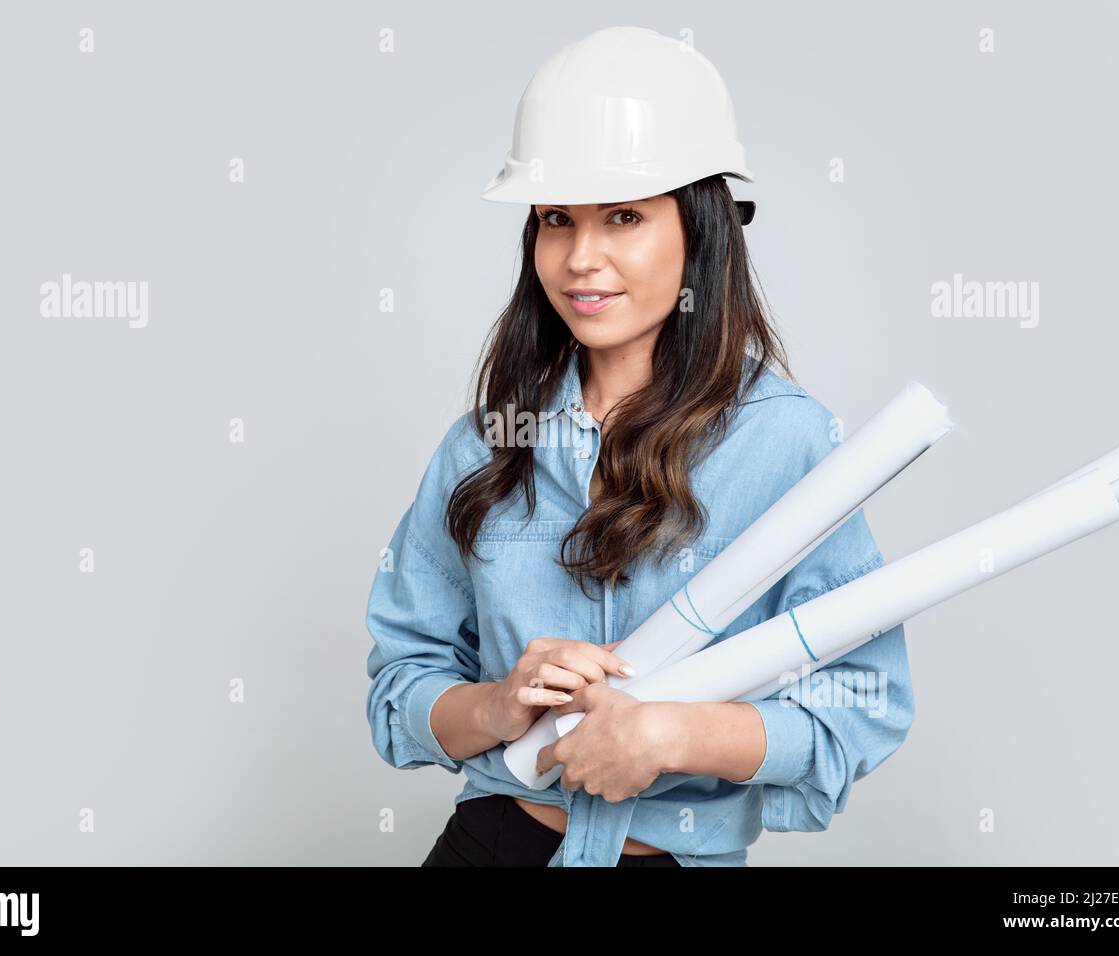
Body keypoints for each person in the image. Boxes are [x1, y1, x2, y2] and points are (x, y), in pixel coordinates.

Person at [364, 26, 915, 867]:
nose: (582, 259)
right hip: (494, 845)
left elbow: (862, 703)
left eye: (624, 216)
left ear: (701, 228)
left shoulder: (790, 441)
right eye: (557, 219)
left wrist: (672, 734)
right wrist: (500, 704)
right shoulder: (483, 447)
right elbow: (402, 683)